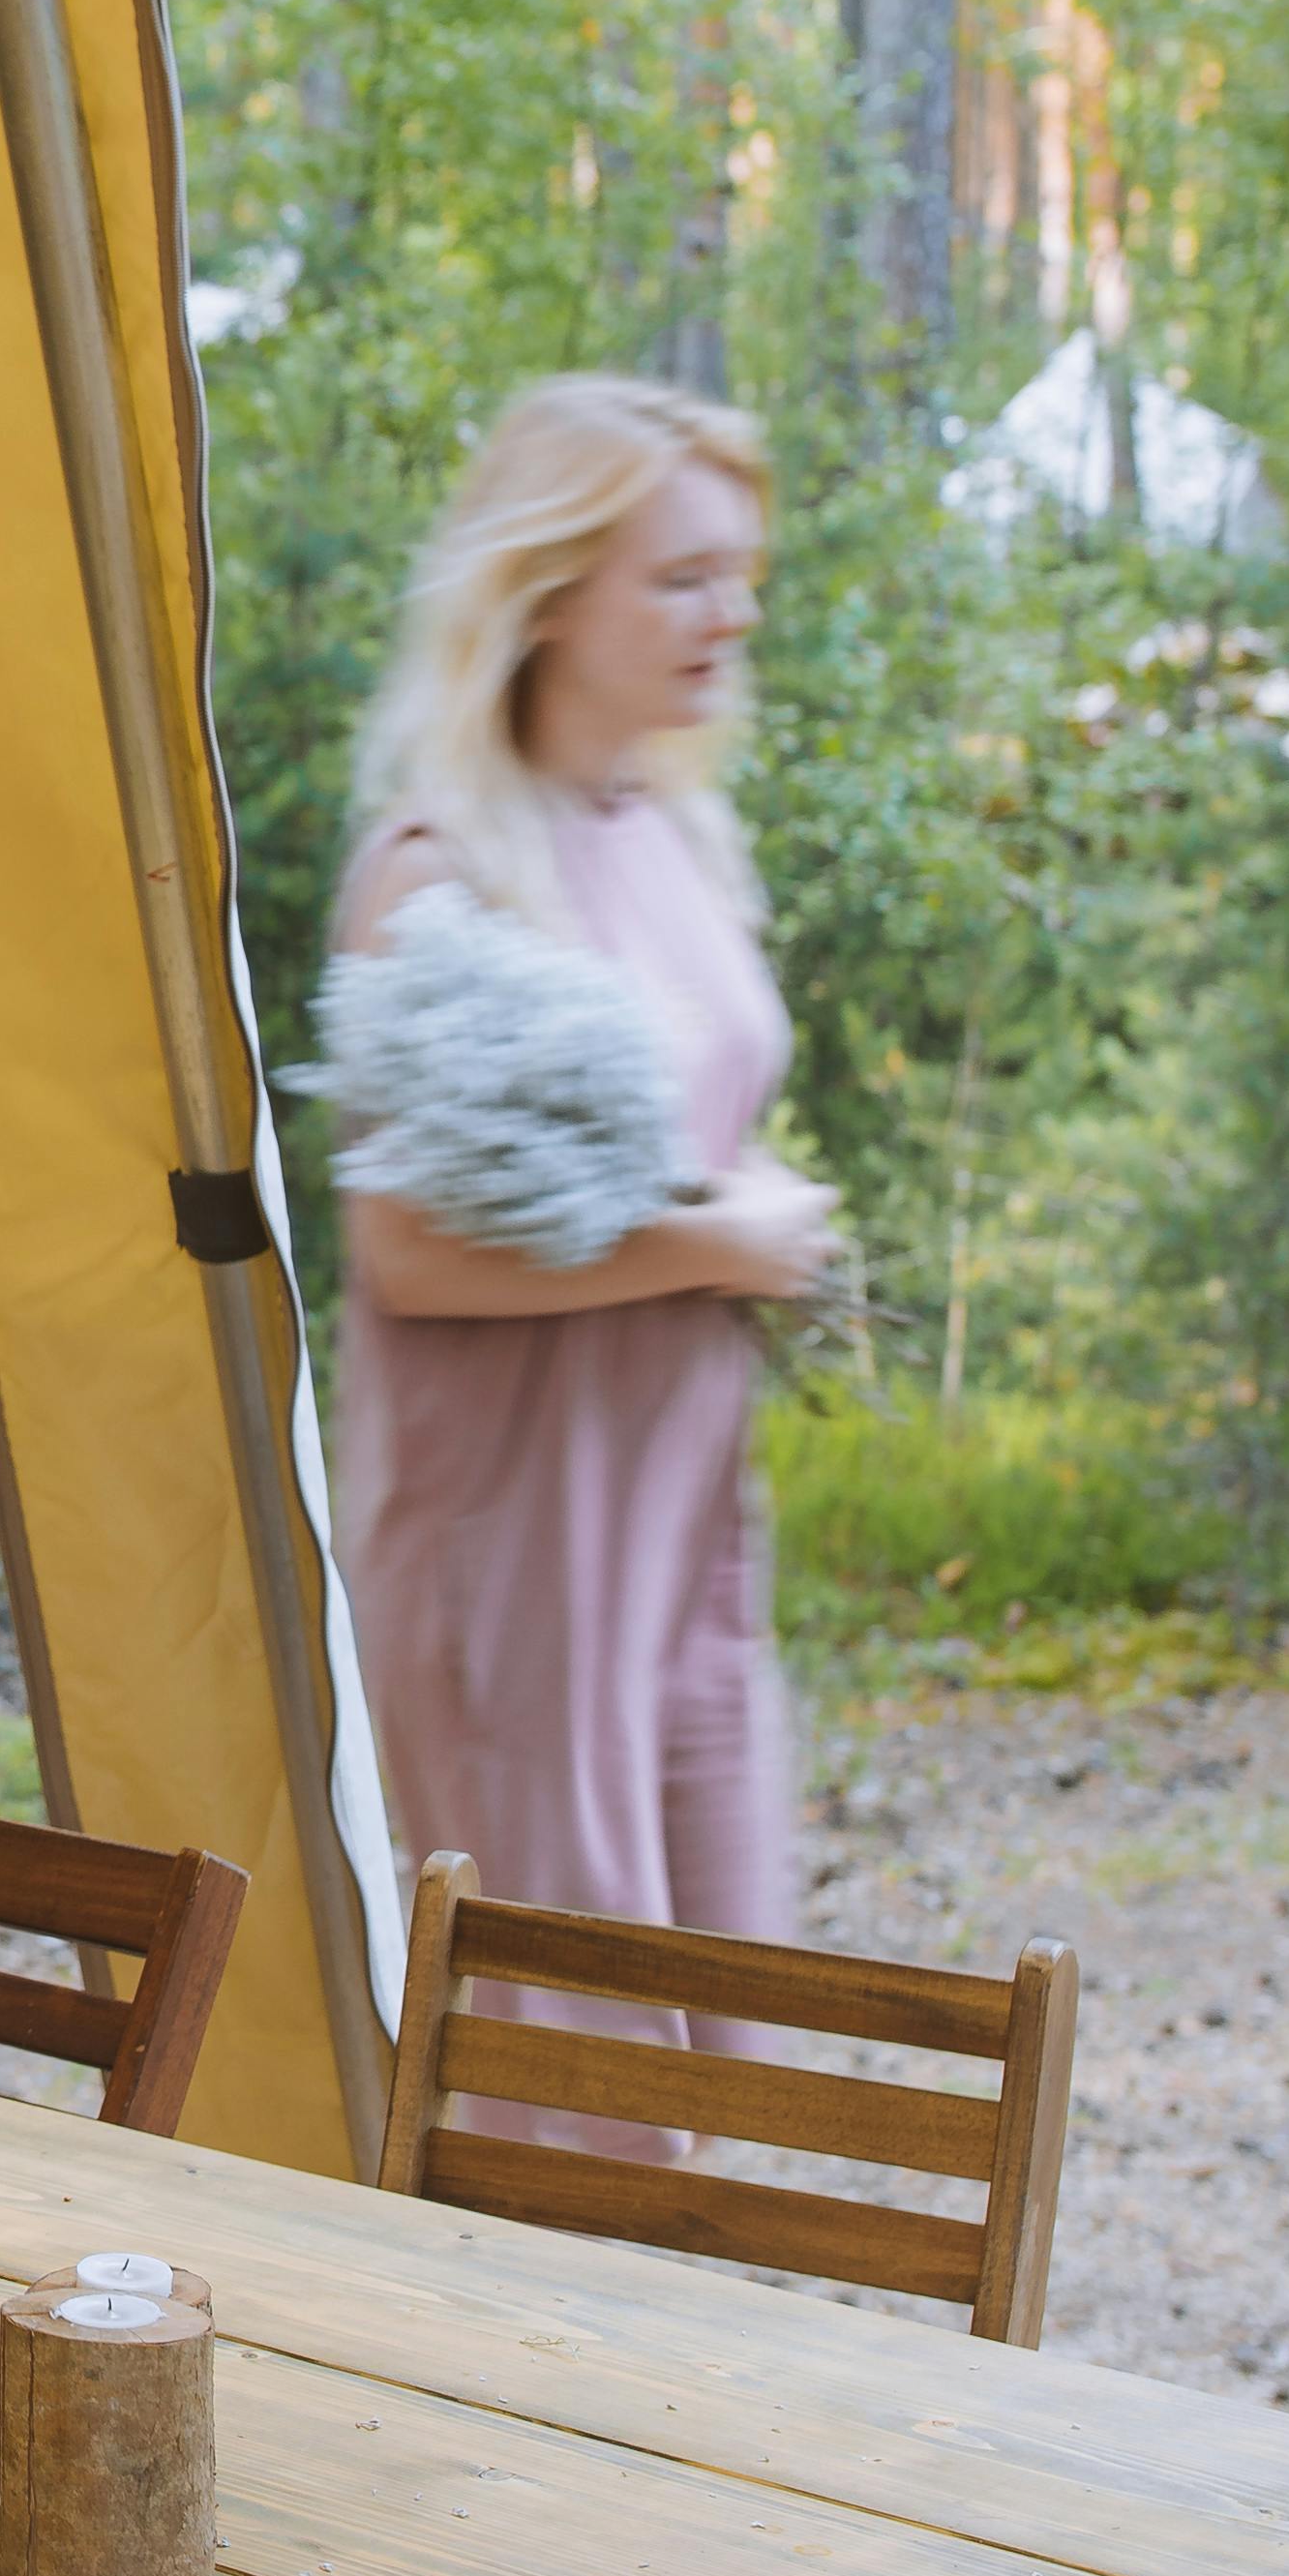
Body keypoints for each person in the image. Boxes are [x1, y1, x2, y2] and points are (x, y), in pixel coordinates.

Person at [323, 374, 836, 1956]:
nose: (729, 612)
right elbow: (401, 1248)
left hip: (677, 1502)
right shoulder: (442, 866)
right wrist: (727, 1248)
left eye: (738, 573)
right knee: (564, 2047)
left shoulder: (680, 833)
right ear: (546, 591)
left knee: (705, 2001)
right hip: (519, 1522)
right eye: (682, 575)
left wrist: (732, 1231)